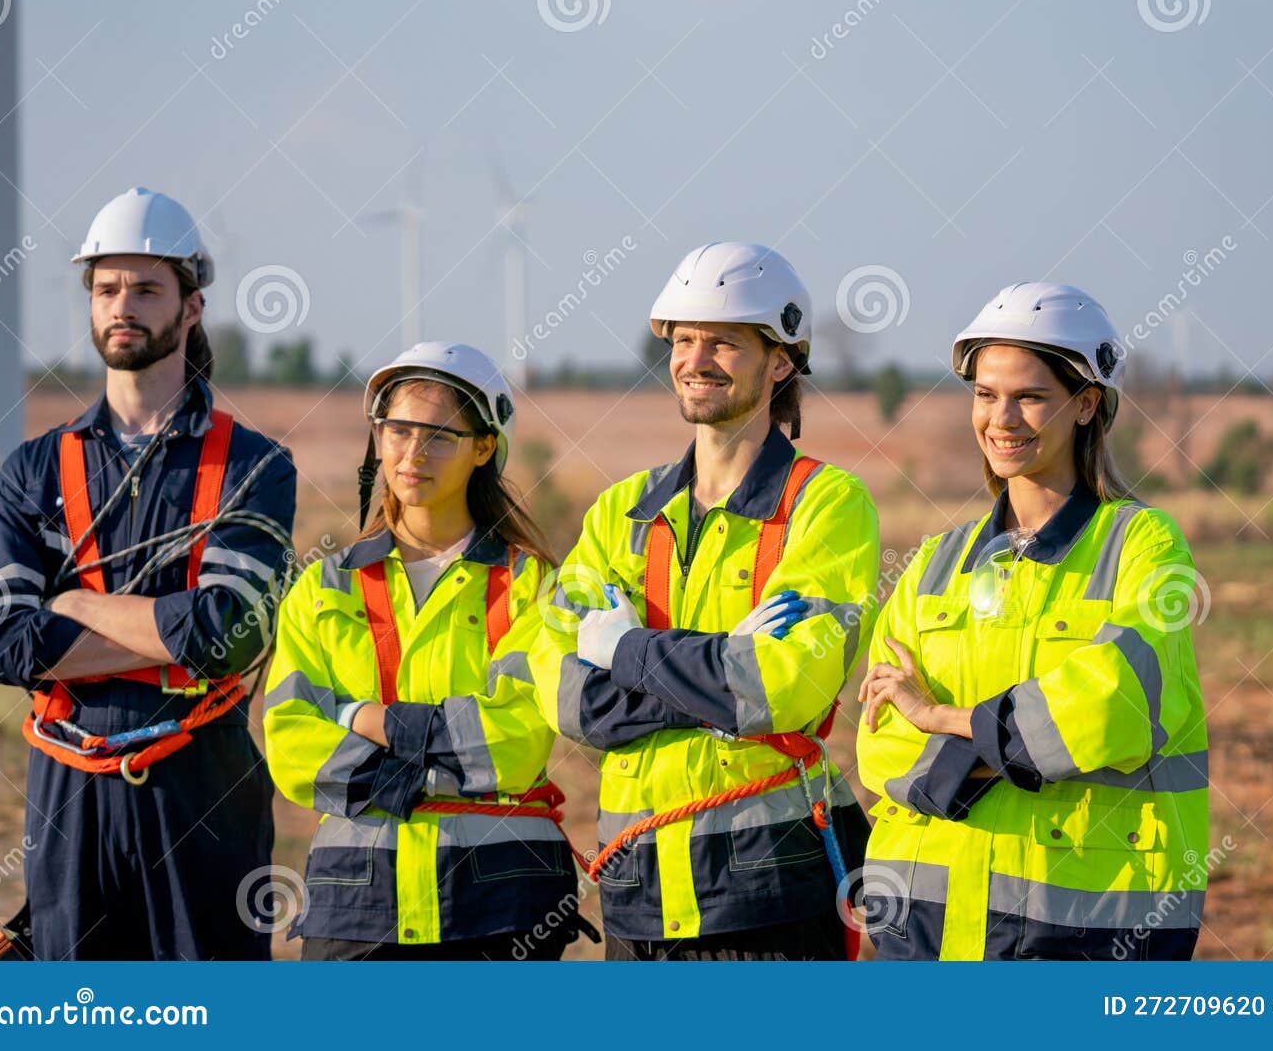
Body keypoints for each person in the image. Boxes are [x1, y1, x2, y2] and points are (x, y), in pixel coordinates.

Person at [529, 242, 879, 960]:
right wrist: (718, 670)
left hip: (769, 890)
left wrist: (624, 651)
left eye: (723, 341)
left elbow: (782, 687)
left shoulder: (828, 505)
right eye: (684, 339)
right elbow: (565, 696)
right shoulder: (620, 511)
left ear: (780, 359)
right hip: (638, 893)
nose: (695, 358)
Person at [0, 186, 296, 960]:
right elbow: (7, 648)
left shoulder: (254, 466)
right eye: (107, 287)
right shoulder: (32, 470)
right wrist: (167, 631)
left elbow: (225, 636)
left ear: (191, 305)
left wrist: (73, 605)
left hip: (202, 789)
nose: (124, 304)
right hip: (68, 793)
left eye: (147, 288)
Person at [856, 281, 1209, 961]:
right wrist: (1032, 749)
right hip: (925, 926)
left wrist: (945, 719)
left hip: (1082, 927)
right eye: (986, 394)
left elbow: (1110, 708)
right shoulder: (936, 560)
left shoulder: (1144, 546)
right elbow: (881, 747)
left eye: (1030, 396)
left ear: (1086, 404)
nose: (1002, 418)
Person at [264, 343, 593, 960]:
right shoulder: (322, 587)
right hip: (359, 905)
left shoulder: (532, 586)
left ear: (483, 447)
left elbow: (514, 747)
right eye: (398, 431)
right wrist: (449, 759)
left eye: (439, 436)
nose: (412, 454)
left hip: (499, 903)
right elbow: (289, 750)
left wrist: (355, 717)